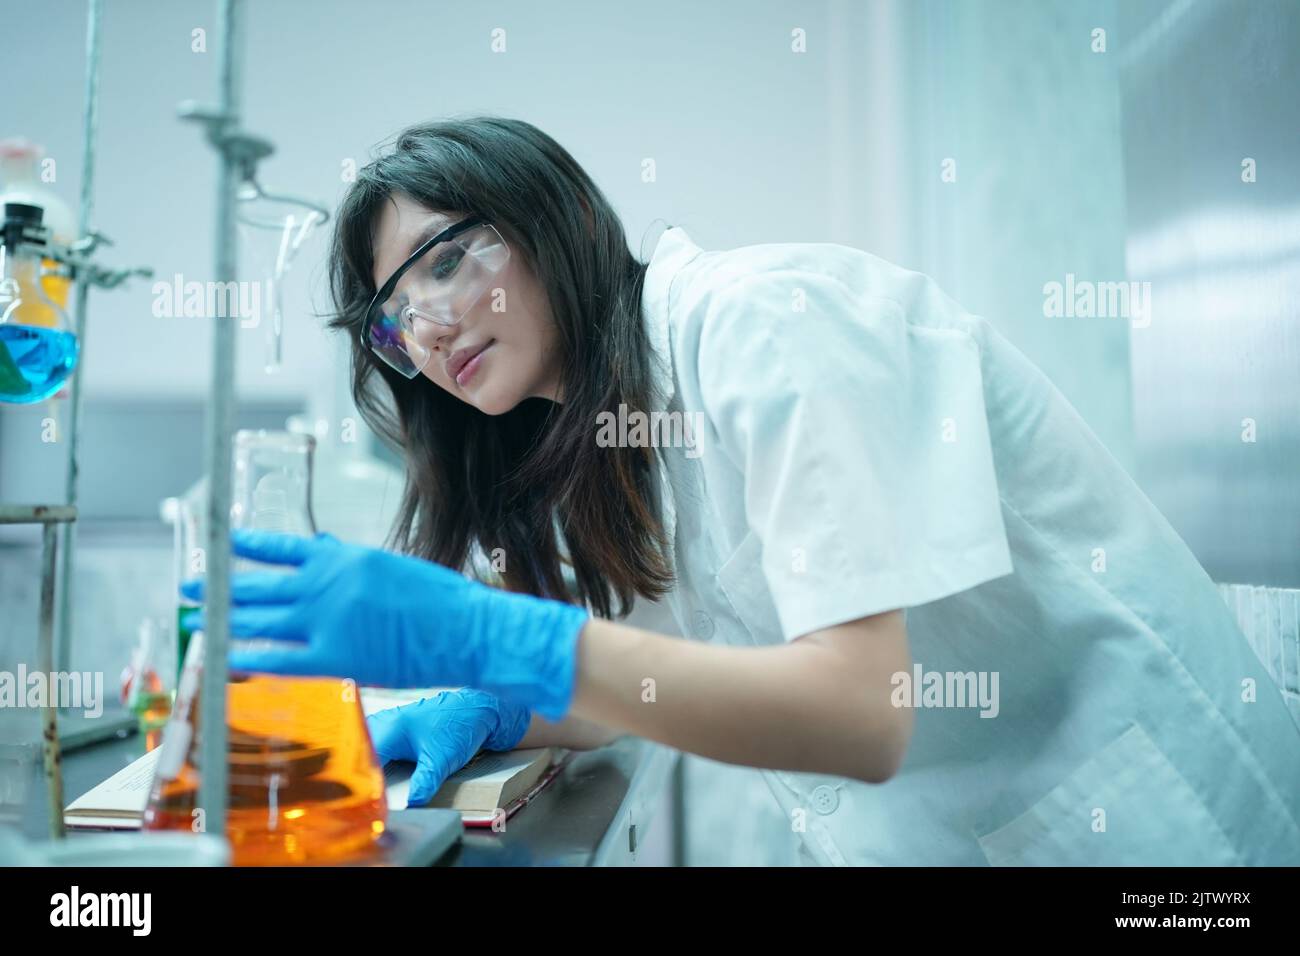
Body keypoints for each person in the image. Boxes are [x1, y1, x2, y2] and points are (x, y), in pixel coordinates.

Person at [183, 116, 1300, 866]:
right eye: (390, 315)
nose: (422, 325)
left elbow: (862, 712)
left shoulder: (766, 322)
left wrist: (494, 635)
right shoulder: (611, 431)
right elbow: (671, 669)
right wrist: (502, 702)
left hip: (1146, 837)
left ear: (552, 216)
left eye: (442, 259)